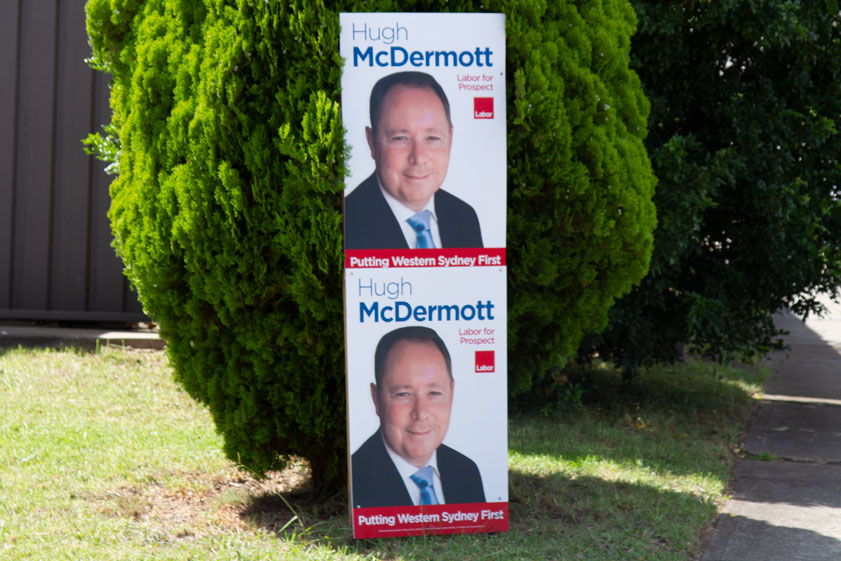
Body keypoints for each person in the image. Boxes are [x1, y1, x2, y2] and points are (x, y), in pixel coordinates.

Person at [344, 71, 483, 250]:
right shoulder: (346, 223)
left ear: (450, 137)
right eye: (400, 138)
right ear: (372, 142)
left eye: (432, 138)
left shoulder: (464, 218)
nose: (418, 157)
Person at [351, 326, 485, 508]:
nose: (420, 413)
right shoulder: (357, 476)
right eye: (403, 394)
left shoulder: (466, 471)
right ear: (377, 399)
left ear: (451, 394)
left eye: (434, 393)